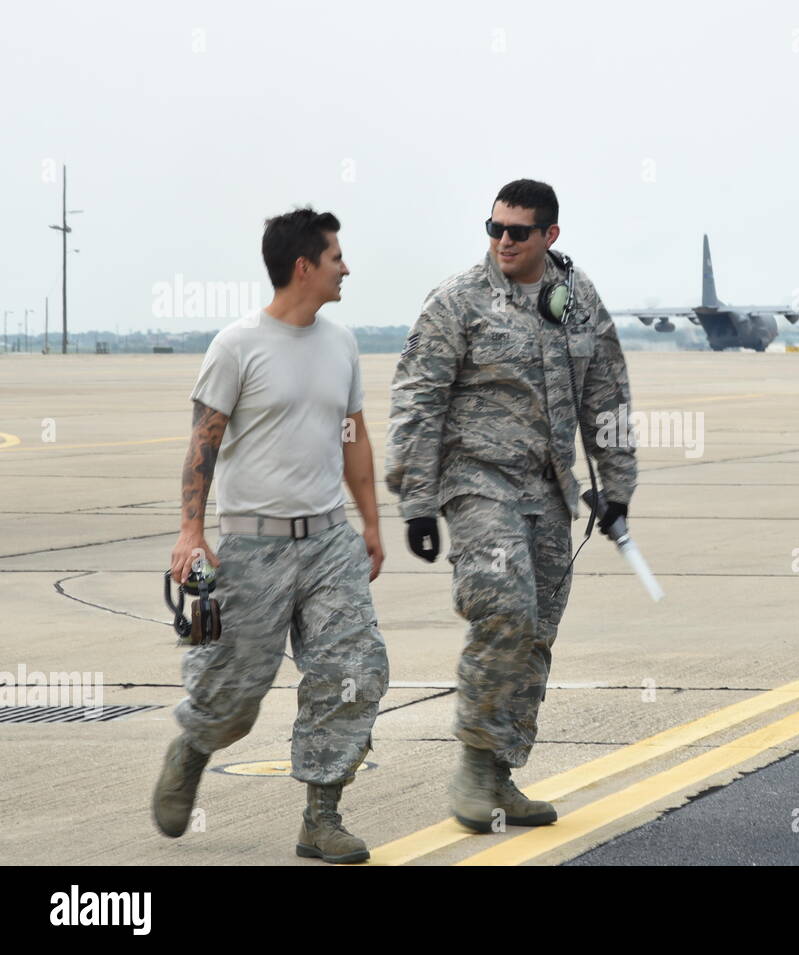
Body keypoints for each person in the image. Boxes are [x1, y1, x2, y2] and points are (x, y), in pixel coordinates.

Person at [386, 179, 636, 833]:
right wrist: (416, 500)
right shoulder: (457, 299)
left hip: (551, 493)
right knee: (503, 609)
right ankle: (472, 766)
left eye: (517, 231)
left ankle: (499, 771)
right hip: (477, 485)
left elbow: (606, 397)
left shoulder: (578, 301)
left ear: (549, 235)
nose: (502, 240)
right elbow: (417, 398)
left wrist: (617, 488)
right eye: (494, 227)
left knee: (534, 634)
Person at [153, 208, 389, 864]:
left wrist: (369, 522)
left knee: (355, 668)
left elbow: (354, 436)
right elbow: (205, 439)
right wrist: (191, 532)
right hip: (250, 545)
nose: (347, 266)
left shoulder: (341, 343)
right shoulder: (236, 345)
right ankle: (194, 744)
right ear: (303, 265)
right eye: (337, 255)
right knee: (232, 693)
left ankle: (322, 814)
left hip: (328, 541)